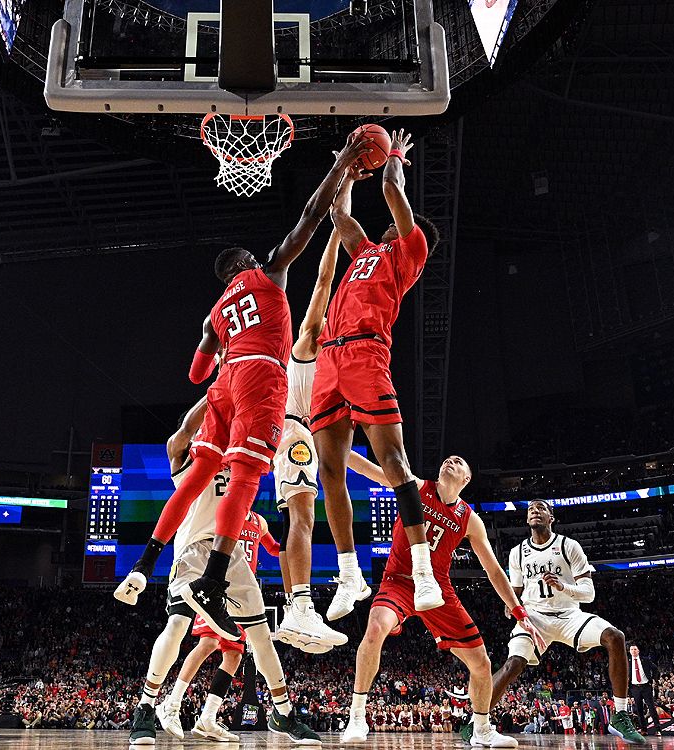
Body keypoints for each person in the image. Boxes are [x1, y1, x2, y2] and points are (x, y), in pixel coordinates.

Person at [117, 135, 374, 640]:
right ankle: (214, 580)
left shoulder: (214, 313)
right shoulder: (269, 272)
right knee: (246, 481)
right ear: (248, 263)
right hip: (261, 377)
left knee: (196, 476)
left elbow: (195, 374)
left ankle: (143, 566)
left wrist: (216, 344)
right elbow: (310, 213)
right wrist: (343, 166)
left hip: (224, 380)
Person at [128, 397, 320, 746]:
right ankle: (146, 706)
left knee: (260, 637)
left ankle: (284, 713)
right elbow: (183, 432)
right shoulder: (190, 458)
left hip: (232, 557)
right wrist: (220, 389)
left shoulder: (242, 459)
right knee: (177, 626)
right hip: (194, 549)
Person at [311, 129, 445, 620]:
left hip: (368, 354)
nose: (389, 226)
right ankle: (350, 575)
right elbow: (338, 216)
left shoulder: (409, 253)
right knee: (330, 469)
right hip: (330, 357)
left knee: (392, 459)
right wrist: (346, 173)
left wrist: (393, 156)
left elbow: (392, 192)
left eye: (397, 225)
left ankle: (422, 569)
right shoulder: (365, 251)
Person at [339, 453, 543, 747]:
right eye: (448, 459)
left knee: (481, 663)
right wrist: (332, 444)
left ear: (466, 478)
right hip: (399, 580)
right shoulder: (416, 487)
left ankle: (482, 729)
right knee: (374, 629)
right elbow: (370, 470)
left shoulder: (469, 519)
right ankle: (356, 716)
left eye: (459, 462)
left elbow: (494, 570)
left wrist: (519, 612)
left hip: (438, 590)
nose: (451, 461)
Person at [462, 500, 646, 745]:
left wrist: (563, 586)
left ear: (551, 517)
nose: (535, 512)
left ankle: (620, 715)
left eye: (540, 508)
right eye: (530, 510)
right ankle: (476, 721)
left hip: (569, 615)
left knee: (615, 636)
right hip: (534, 617)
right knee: (513, 664)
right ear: (527, 520)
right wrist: (511, 604)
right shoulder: (517, 552)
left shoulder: (569, 546)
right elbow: (515, 590)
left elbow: (588, 593)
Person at [272, 227, 348, 651]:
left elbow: (338, 452)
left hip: (290, 433)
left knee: (291, 521)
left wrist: (392, 477)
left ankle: (292, 613)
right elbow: (322, 283)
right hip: (292, 429)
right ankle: (302, 606)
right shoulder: (307, 348)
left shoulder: (331, 376)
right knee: (304, 518)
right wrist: (337, 232)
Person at [156, 508, 280, 742]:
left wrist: (296, 545)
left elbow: (273, 548)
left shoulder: (259, 521)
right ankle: (171, 703)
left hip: (241, 595)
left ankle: (208, 719)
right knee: (208, 642)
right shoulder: (221, 512)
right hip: (218, 590)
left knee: (234, 655)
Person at [628, 644, 662, 735]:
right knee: (639, 710)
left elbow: (655, 669)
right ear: (629, 651)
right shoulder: (627, 662)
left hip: (646, 686)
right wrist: (629, 692)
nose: (633, 651)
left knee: (651, 708)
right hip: (635, 688)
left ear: (638, 651)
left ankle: (658, 729)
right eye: (631, 649)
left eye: (635, 649)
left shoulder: (645, 660)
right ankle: (644, 729)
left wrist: (654, 679)